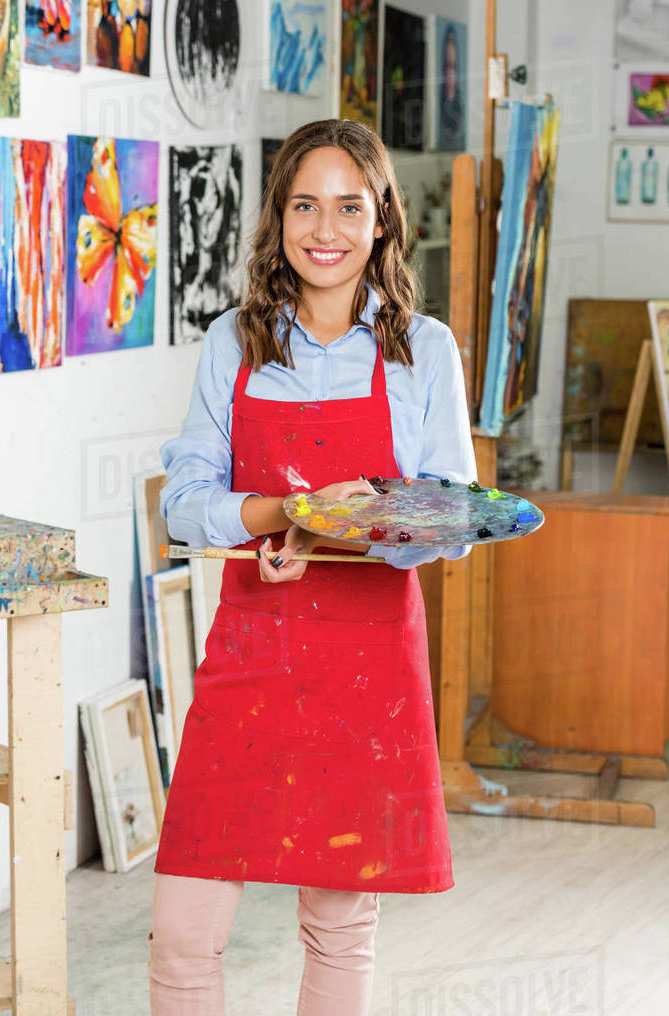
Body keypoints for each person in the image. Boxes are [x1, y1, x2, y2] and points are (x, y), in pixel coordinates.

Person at [149, 118, 476, 1015]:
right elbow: (181, 503)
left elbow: (452, 518)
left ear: (381, 222)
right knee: (181, 931)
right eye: (304, 205)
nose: (323, 229)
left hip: (365, 668)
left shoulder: (423, 350)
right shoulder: (232, 342)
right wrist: (278, 515)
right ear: (278, 218)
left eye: (347, 206)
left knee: (339, 925)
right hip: (251, 654)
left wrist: (353, 527)